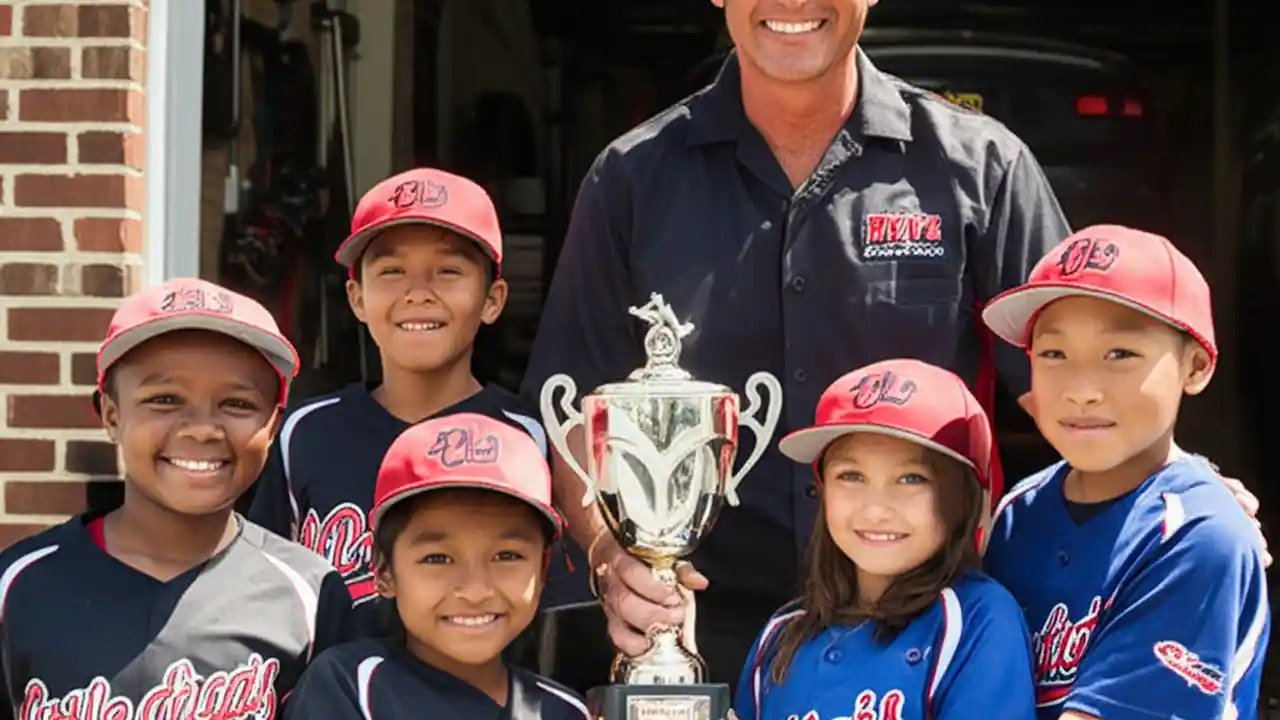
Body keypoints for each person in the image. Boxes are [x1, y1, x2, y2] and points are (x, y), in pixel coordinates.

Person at [520, 0, 1266, 692]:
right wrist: (617, 558)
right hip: (700, 639)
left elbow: (1076, 371)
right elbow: (568, 415)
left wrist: (1172, 485)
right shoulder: (632, 179)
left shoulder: (980, 169)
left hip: (934, 649)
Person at [0, 277, 354, 716]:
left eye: (238, 404)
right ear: (111, 415)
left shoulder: (310, 593)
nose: (202, 428)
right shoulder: (17, 586)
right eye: (165, 399)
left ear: (274, 425)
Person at [248, 167, 573, 636]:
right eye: (392, 271)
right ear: (357, 299)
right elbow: (264, 593)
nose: (418, 293)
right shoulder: (306, 432)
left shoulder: (528, 437)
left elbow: (545, 610)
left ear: (493, 300)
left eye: (448, 271)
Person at [980, 225, 1271, 719]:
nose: (1081, 389)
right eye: (1053, 354)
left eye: (1120, 355)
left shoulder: (1199, 535)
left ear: (1196, 366)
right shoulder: (1017, 514)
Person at [735, 358, 1036, 720]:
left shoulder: (976, 617)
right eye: (851, 476)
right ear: (821, 490)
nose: (876, 509)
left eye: (911, 478)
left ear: (965, 499)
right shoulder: (782, 635)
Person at [283, 413, 589, 719]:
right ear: (383, 569)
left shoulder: (564, 711)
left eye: (507, 556)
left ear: (544, 567)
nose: (475, 590)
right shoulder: (349, 687)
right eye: (437, 558)